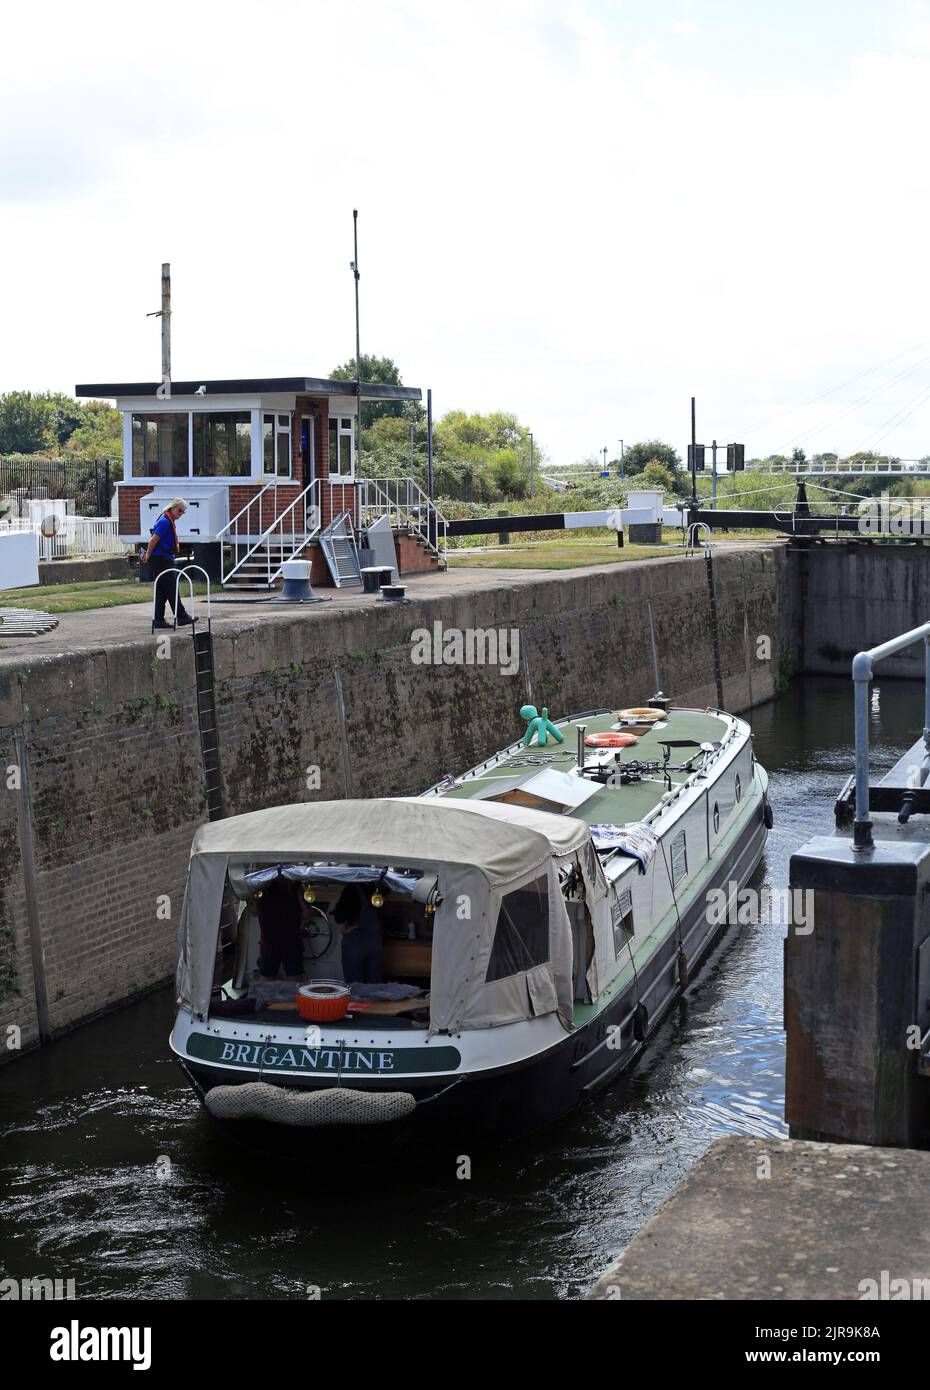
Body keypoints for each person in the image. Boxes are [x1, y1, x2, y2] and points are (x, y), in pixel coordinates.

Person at [144, 497, 194, 629]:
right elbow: (153, 540)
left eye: (183, 512)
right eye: (179, 511)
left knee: (161, 590)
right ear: (172, 508)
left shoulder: (167, 520)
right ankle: (182, 616)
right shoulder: (165, 522)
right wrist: (148, 555)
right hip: (161, 559)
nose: (181, 514)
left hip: (162, 558)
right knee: (171, 587)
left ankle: (158, 619)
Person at [333, 883, 383, 984]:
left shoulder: (351, 890)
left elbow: (339, 914)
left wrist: (344, 929)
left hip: (355, 944)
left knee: (355, 986)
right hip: (375, 943)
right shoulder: (377, 888)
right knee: (374, 986)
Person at [256, 878, 303, 979]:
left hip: (270, 942)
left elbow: (253, 911)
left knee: (266, 984)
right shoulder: (295, 886)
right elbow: (308, 914)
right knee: (294, 982)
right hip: (291, 942)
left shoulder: (260, 886)